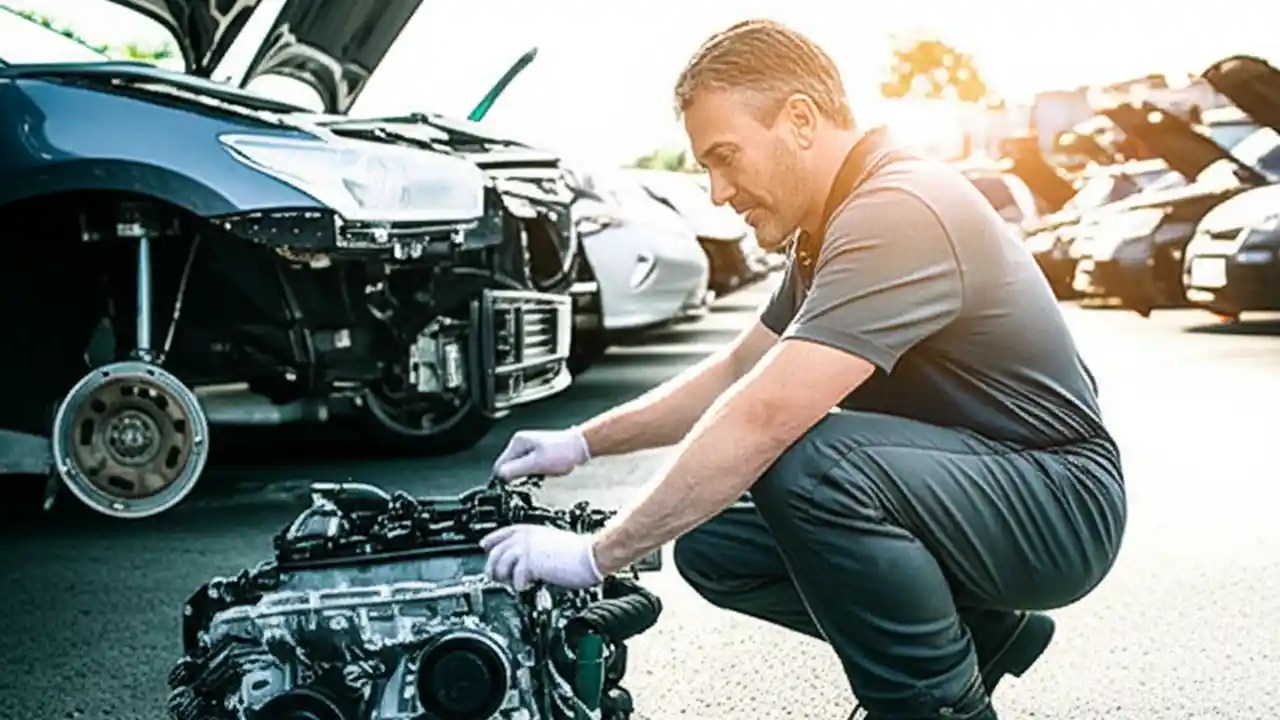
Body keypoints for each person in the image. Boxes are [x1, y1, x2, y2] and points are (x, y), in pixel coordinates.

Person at [478, 19, 1127, 720]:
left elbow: (765, 415)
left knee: (810, 462)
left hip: (1059, 500)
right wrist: (581, 443)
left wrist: (593, 557)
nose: (719, 191)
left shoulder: (899, 208)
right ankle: (977, 640)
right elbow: (737, 374)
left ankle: (935, 707)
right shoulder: (828, 229)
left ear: (799, 120)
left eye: (726, 157)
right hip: (984, 489)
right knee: (713, 543)